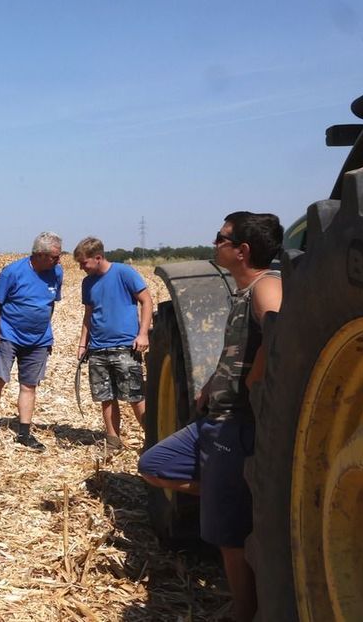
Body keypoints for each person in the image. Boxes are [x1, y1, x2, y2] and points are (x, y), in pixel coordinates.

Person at [137, 212, 283, 622]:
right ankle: (236, 495)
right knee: (153, 464)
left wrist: (253, 380)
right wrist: (212, 384)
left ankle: (244, 611)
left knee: (228, 537)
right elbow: (243, 346)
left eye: (221, 238)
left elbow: (277, 329)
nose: (214, 243)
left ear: (243, 251)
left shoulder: (266, 285)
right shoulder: (243, 290)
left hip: (235, 424)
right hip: (216, 418)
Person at [0, 231, 64, 452]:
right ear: (39, 255)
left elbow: (50, 304)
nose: (59, 260)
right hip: (9, 335)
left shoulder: (57, 273)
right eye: (54, 256)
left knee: (29, 385)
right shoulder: (13, 272)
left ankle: (24, 434)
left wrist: (45, 331)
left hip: (39, 340)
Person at [74, 237, 152, 450]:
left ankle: (153, 440)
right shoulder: (87, 282)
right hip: (97, 349)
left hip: (125, 347)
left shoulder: (124, 273)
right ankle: (113, 441)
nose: (81, 268)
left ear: (98, 258)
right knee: (106, 397)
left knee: (135, 396)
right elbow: (88, 315)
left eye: (84, 263)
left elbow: (146, 300)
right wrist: (83, 344)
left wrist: (143, 334)